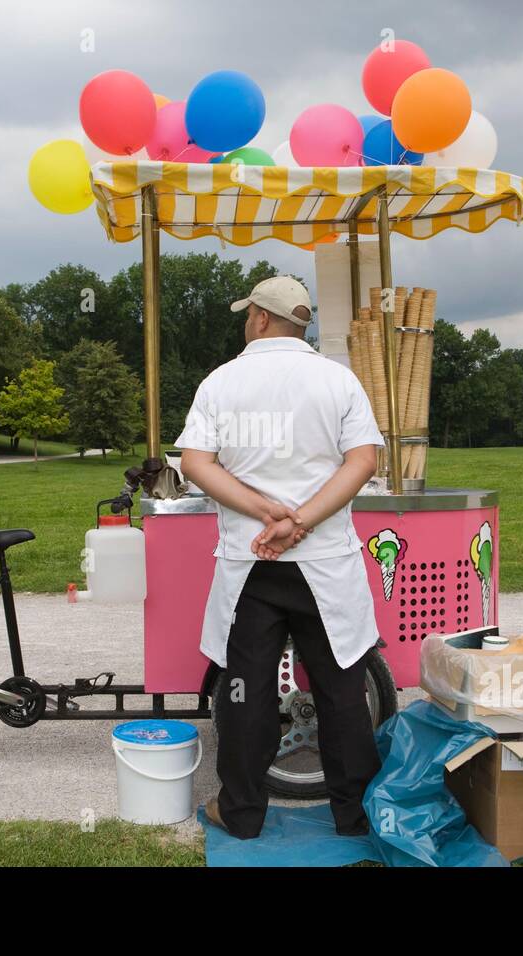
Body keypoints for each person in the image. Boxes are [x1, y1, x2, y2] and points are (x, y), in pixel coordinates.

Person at [174, 275, 385, 839]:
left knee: (246, 689)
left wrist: (265, 513)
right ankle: (355, 816)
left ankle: (241, 813)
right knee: (342, 691)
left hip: (251, 566)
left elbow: (195, 462)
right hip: (326, 566)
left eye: (248, 315)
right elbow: (363, 462)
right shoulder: (338, 380)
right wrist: (300, 520)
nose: (247, 323)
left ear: (262, 319)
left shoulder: (221, 382)